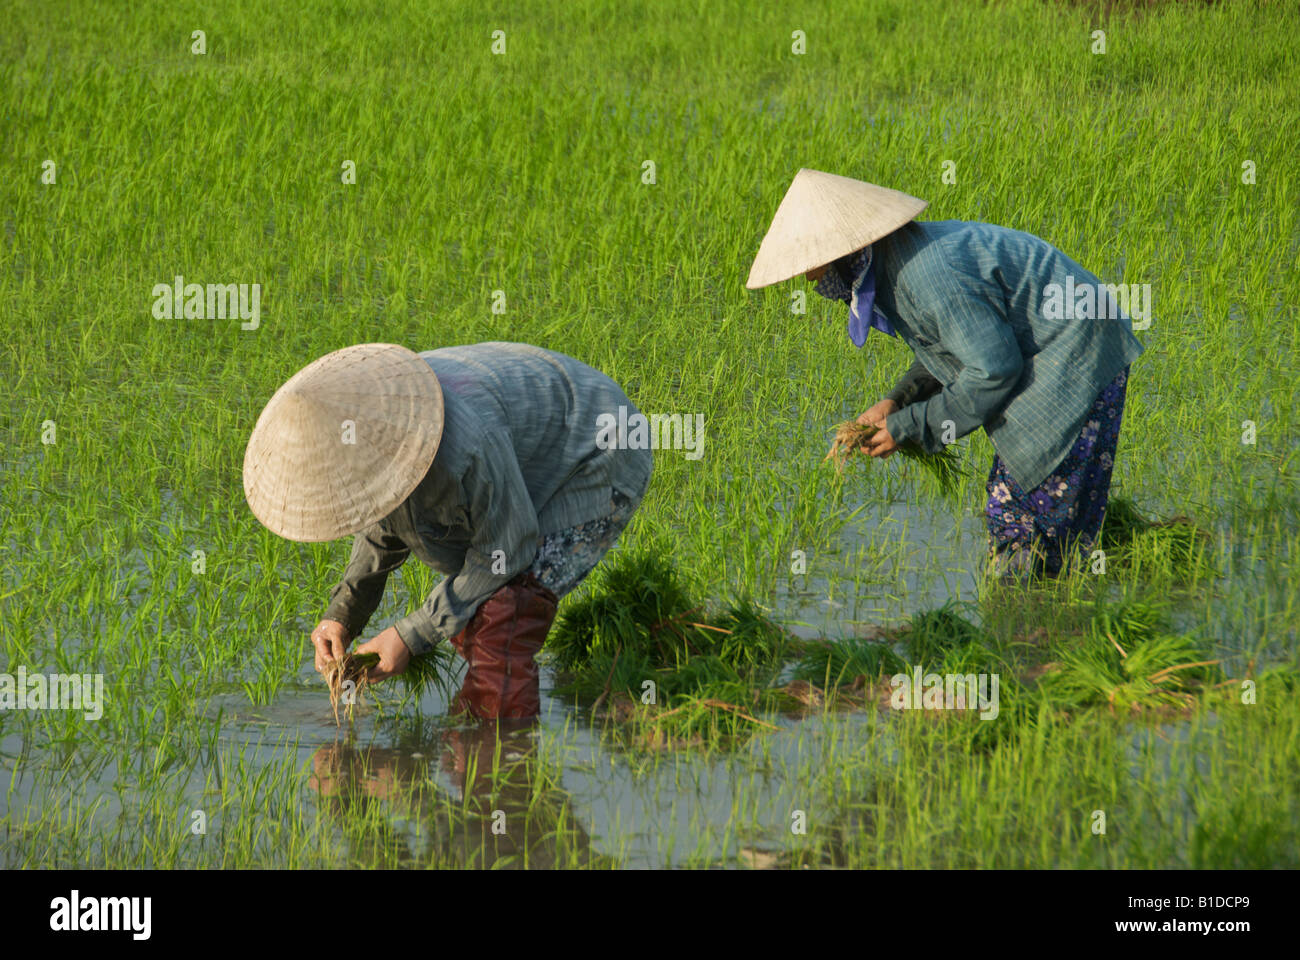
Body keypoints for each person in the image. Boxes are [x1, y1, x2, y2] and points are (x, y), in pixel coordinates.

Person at [746, 169, 1145, 578]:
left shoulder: (926, 276)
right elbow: (959, 346)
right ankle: (1056, 614)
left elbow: (993, 368)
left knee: (1019, 515)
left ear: (847, 251)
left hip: (1077, 345)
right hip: (1062, 337)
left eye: (814, 267)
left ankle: (1024, 623)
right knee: (1045, 522)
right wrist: (897, 401)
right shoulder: (897, 261)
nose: (812, 280)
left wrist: (909, 427)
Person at [242, 341, 653, 719]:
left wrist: (410, 635)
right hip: (526, 441)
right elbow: (383, 521)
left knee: (504, 613)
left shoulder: (460, 447)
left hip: (600, 445)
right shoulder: (376, 431)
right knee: (472, 608)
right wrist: (342, 616)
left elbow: (506, 551)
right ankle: (476, 750)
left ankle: (500, 763)